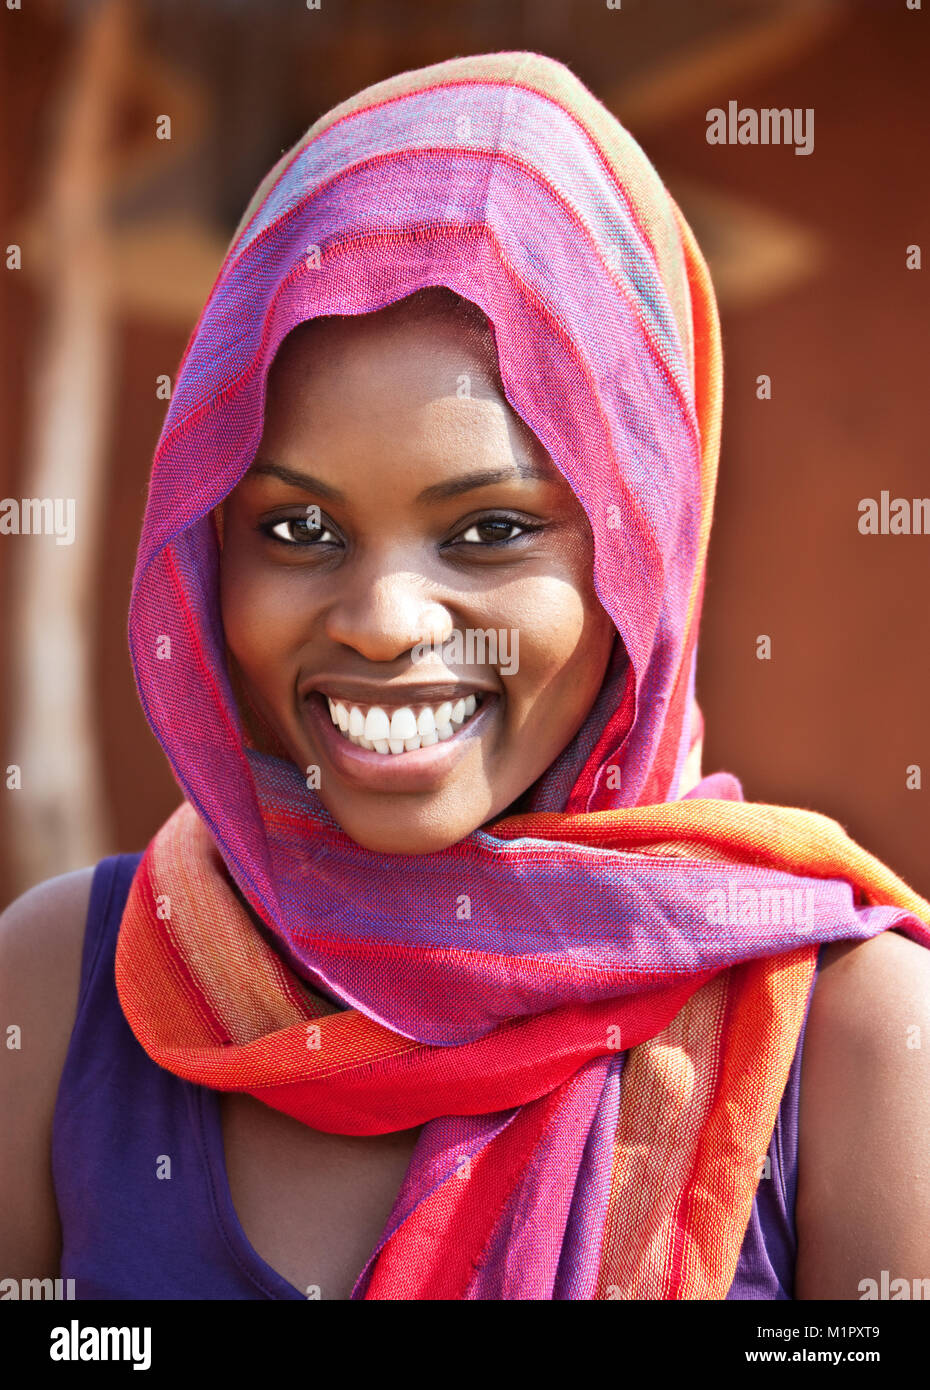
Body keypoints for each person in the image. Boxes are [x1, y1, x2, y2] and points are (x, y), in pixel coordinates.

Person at [2, 50, 929, 1302]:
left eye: (490, 529)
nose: (383, 622)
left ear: (641, 551)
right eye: (297, 529)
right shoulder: (69, 987)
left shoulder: (857, 1042)